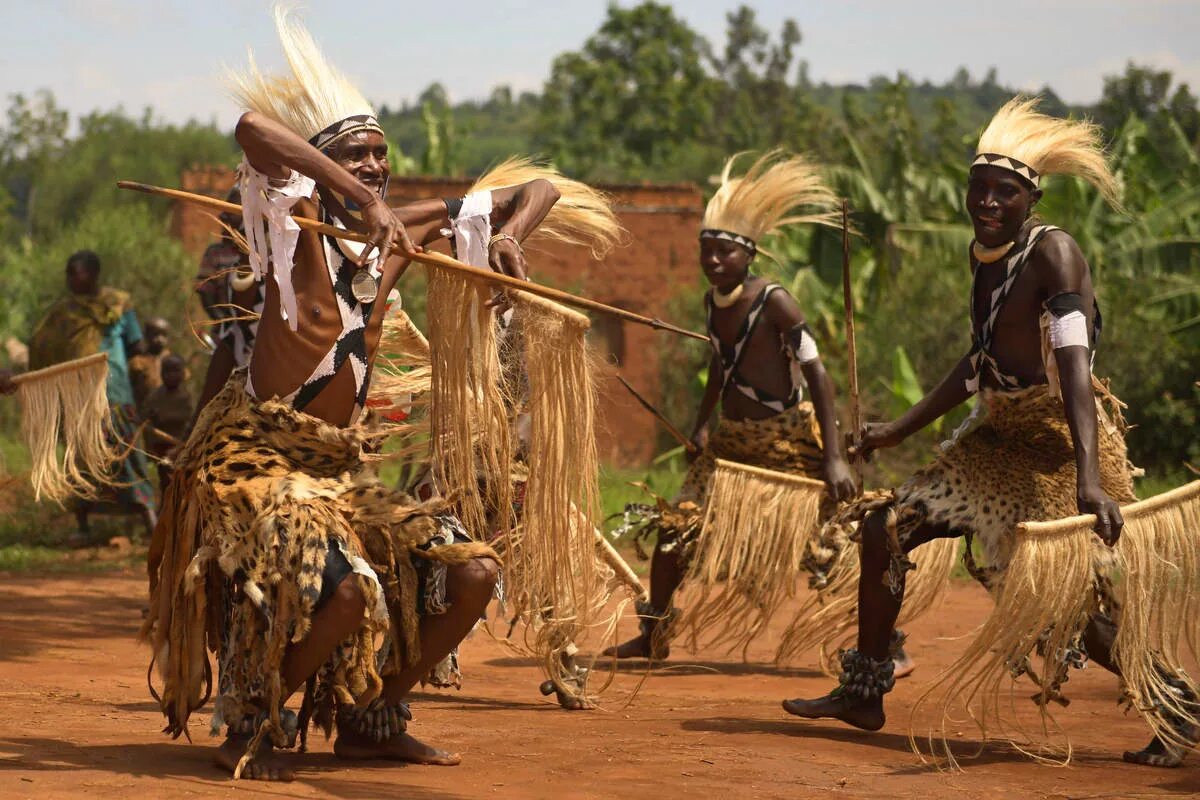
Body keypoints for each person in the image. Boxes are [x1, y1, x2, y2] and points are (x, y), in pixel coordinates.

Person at [143, 7, 559, 781]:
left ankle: (371, 717)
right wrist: (360, 200)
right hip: (256, 467)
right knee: (344, 594)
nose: (374, 168)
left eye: (380, 158)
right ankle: (256, 715)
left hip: (334, 475)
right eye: (357, 156)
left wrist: (509, 237)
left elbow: (534, 189)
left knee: (473, 573)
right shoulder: (293, 231)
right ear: (323, 170)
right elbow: (251, 128)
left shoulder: (386, 254)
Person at [781, 97, 1195, 768]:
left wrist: (1089, 477)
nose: (989, 201)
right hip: (997, 442)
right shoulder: (984, 255)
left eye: (1005, 190)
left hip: (1058, 450)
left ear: (1032, 194)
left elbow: (1076, 370)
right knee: (887, 527)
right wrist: (896, 431)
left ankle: (1176, 704)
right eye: (980, 188)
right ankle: (865, 688)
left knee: (1070, 613)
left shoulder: (1053, 254)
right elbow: (979, 366)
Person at [605, 152, 858, 662]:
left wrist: (833, 456)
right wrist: (701, 426)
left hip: (787, 442)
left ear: (748, 254)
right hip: (732, 445)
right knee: (677, 531)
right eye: (707, 251)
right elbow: (720, 367)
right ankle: (654, 633)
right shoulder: (710, 302)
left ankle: (878, 646)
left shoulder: (777, 303)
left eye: (724, 252)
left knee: (835, 543)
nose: (714, 261)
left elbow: (819, 375)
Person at [28, 250, 156, 541]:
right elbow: (41, 343)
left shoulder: (119, 304)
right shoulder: (63, 312)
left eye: (78, 273)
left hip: (115, 391)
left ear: (94, 274)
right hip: (77, 398)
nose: (72, 279)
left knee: (128, 454)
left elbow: (136, 345)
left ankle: (150, 521)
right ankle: (83, 526)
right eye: (69, 273)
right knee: (80, 458)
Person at [140, 354, 192, 494]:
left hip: (180, 444)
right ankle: (166, 506)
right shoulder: (155, 395)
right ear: (161, 374)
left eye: (175, 371)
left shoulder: (185, 396)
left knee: (180, 479)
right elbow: (146, 416)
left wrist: (164, 417)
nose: (171, 376)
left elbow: (187, 416)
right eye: (167, 372)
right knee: (165, 478)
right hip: (160, 446)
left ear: (182, 373)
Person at [129, 316, 172, 409]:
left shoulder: (172, 360)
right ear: (146, 336)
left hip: (168, 411)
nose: (160, 339)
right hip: (144, 410)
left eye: (164, 335)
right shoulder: (138, 362)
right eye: (155, 334)